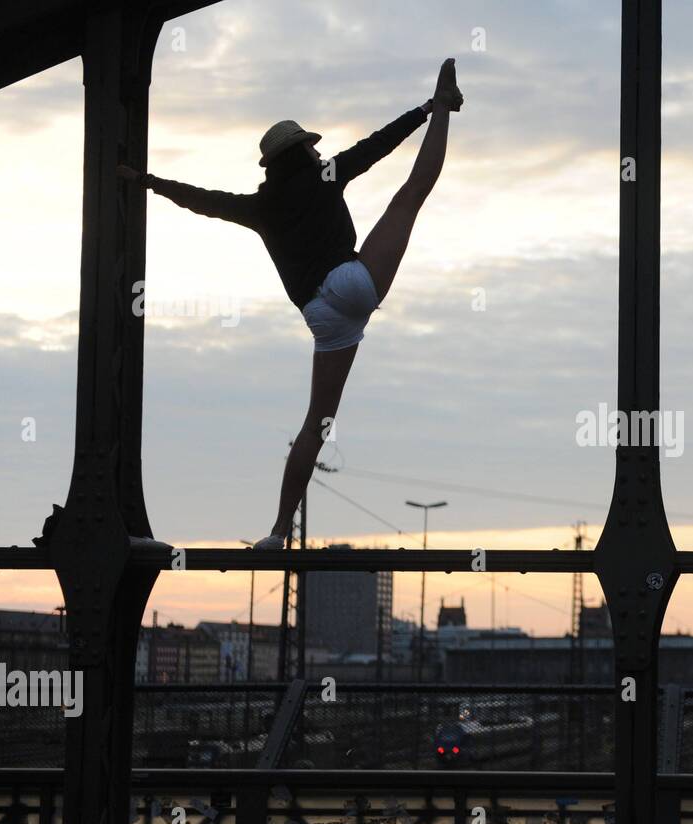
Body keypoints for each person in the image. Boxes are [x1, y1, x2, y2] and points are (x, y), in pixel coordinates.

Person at [118, 59, 463, 549]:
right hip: (350, 280)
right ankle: (447, 105)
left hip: (321, 315)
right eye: (309, 144)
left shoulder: (258, 207)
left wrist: (143, 180)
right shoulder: (324, 175)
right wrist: (427, 109)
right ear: (302, 150)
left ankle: (278, 532)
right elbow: (377, 145)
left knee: (317, 424)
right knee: (411, 194)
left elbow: (199, 199)